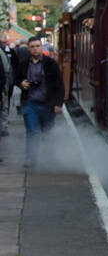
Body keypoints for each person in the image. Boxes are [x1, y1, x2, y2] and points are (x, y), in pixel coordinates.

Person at [14, 34, 64, 163]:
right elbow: (16, 78)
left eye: (37, 46)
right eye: (32, 47)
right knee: (32, 131)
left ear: (41, 47)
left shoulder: (51, 64)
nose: (35, 49)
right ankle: (31, 159)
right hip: (30, 103)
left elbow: (59, 84)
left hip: (47, 104)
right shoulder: (24, 64)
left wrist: (58, 103)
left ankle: (49, 158)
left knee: (48, 132)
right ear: (29, 49)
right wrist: (21, 83)